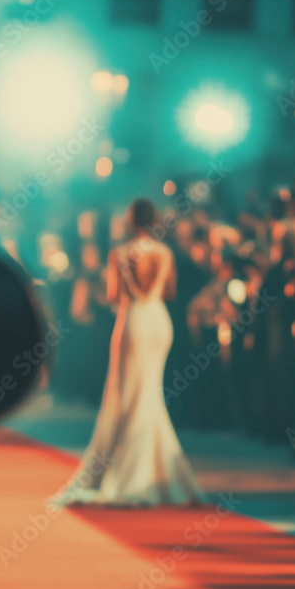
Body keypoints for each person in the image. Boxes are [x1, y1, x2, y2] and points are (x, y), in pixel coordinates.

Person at [53, 198, 204, 506]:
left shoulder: (120, 253)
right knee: (151, 391)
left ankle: (125, 468)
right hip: (158, 322)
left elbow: (113, 295)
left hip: (133, 319)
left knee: (126, 393)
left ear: (133, 220)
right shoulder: (164, 252)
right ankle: (157, 469)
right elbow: (169, 291)